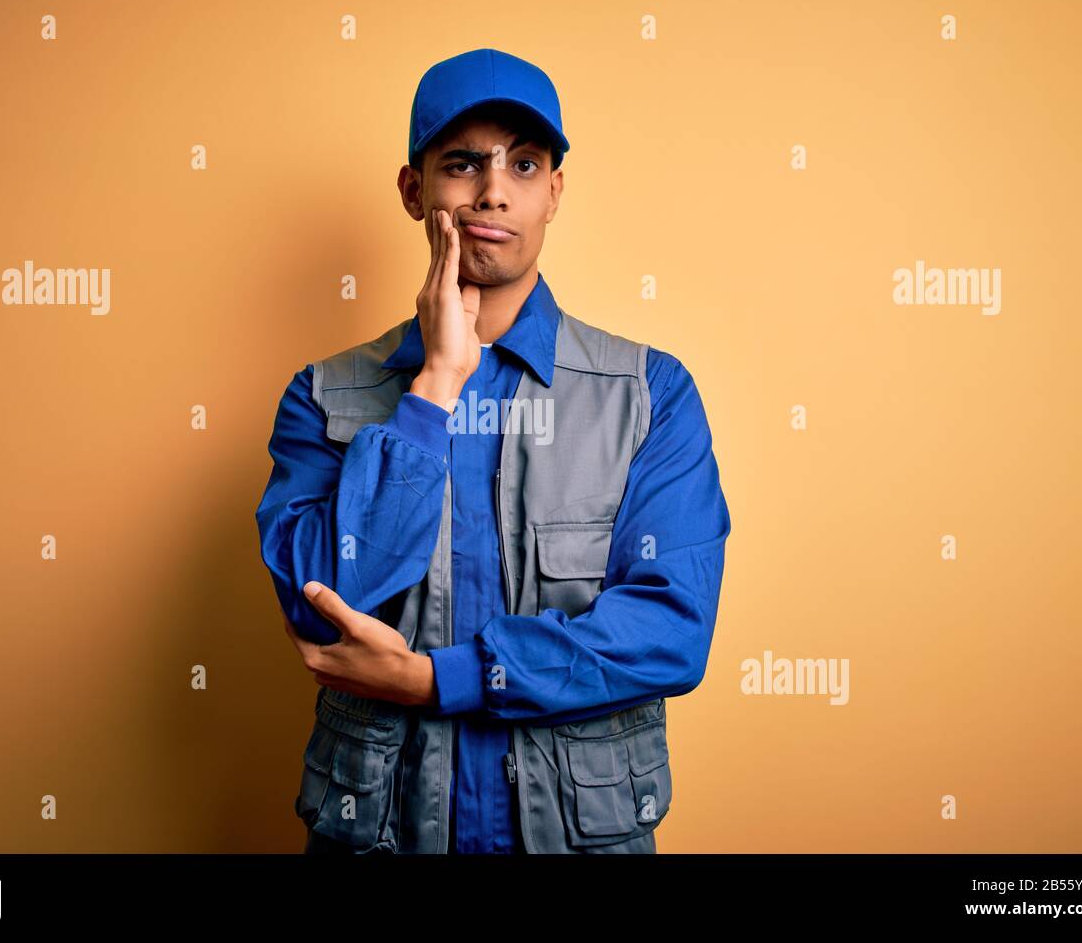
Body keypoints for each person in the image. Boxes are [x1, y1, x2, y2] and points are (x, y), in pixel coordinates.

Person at [254, 48, 732, 854]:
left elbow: (670, 631)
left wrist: (442, 680)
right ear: (414, 192)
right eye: (462, 164)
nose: (493, 191)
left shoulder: (651, 395)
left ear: (554, 192)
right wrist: (435, 384)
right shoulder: (321, 396)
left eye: (524, 163)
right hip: (380, 833)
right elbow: (318, 605)